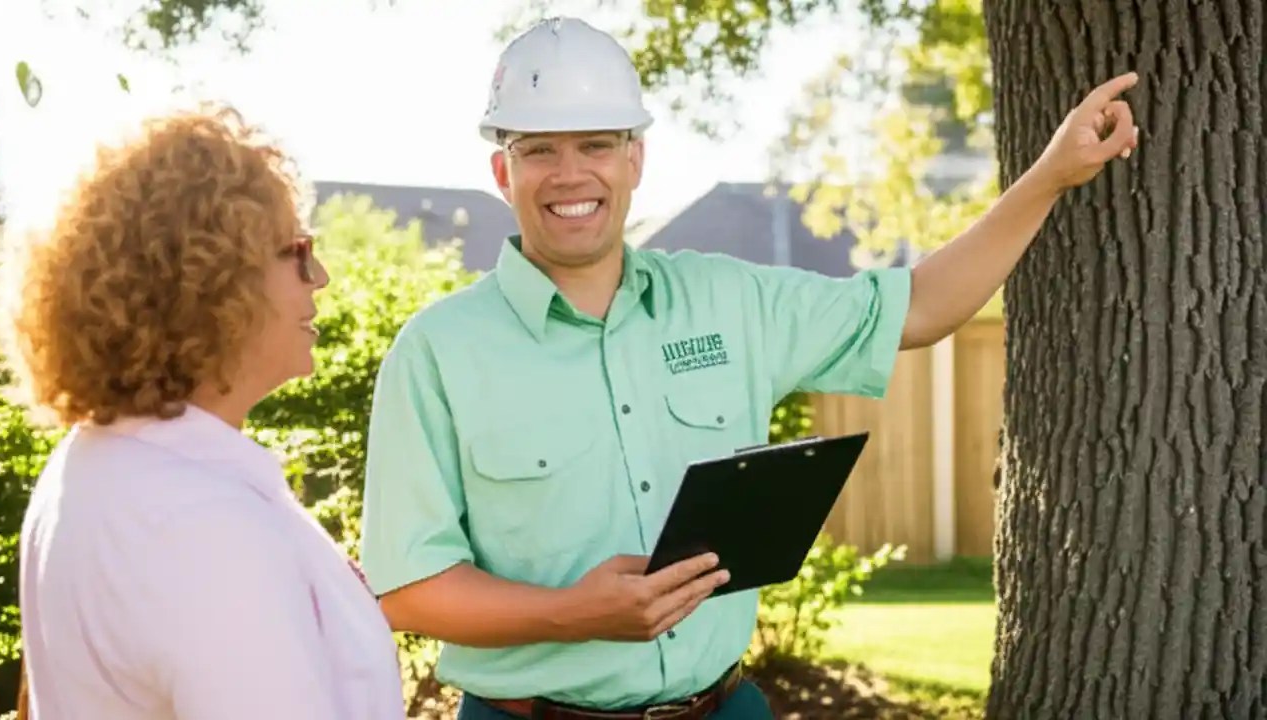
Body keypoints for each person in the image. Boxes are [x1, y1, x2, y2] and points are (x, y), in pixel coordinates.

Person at [359, 17, 1139, 720]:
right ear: (504, 173)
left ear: (635, 159)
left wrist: (1049, 177)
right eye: (539, 151)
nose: (570, 174)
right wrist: (575, 614)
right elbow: (407, 590)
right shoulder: (437, 353)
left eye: (596, 143)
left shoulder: (730, 301)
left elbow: (922, 307)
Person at [0, 106, 406, 720]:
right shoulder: (201, 523)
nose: (318, 277)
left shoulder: (93, 464)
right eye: (297, 251)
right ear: (210, 278)